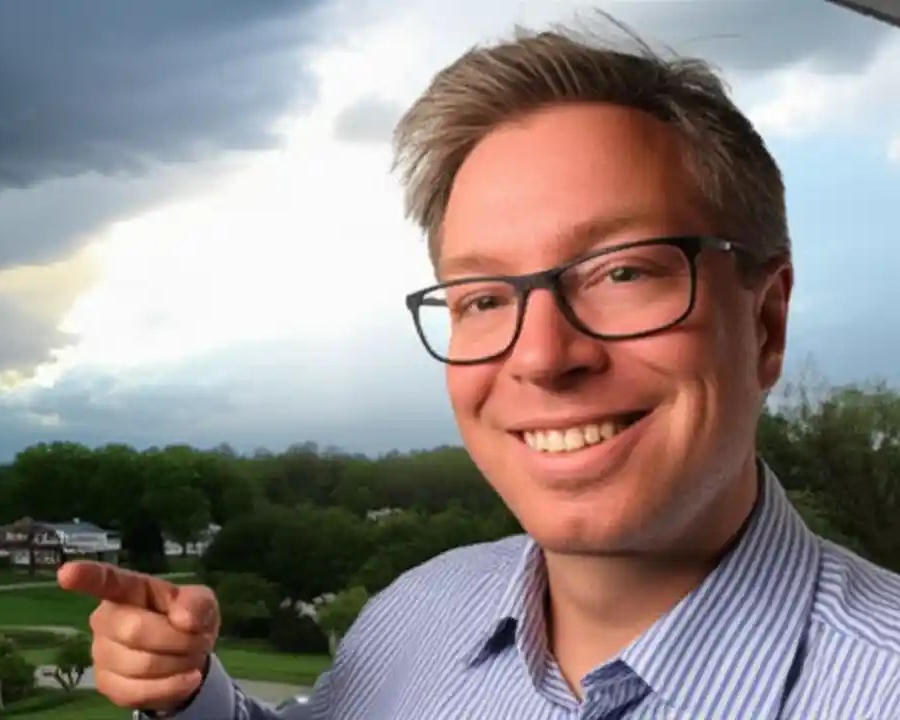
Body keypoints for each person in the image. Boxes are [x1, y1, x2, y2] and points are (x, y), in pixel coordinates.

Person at [58, 19, 900, 720]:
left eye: (623, 272)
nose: (541, 357)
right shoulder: (416, 613)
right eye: (484, 298)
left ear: (765, 321)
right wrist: (193, 694)